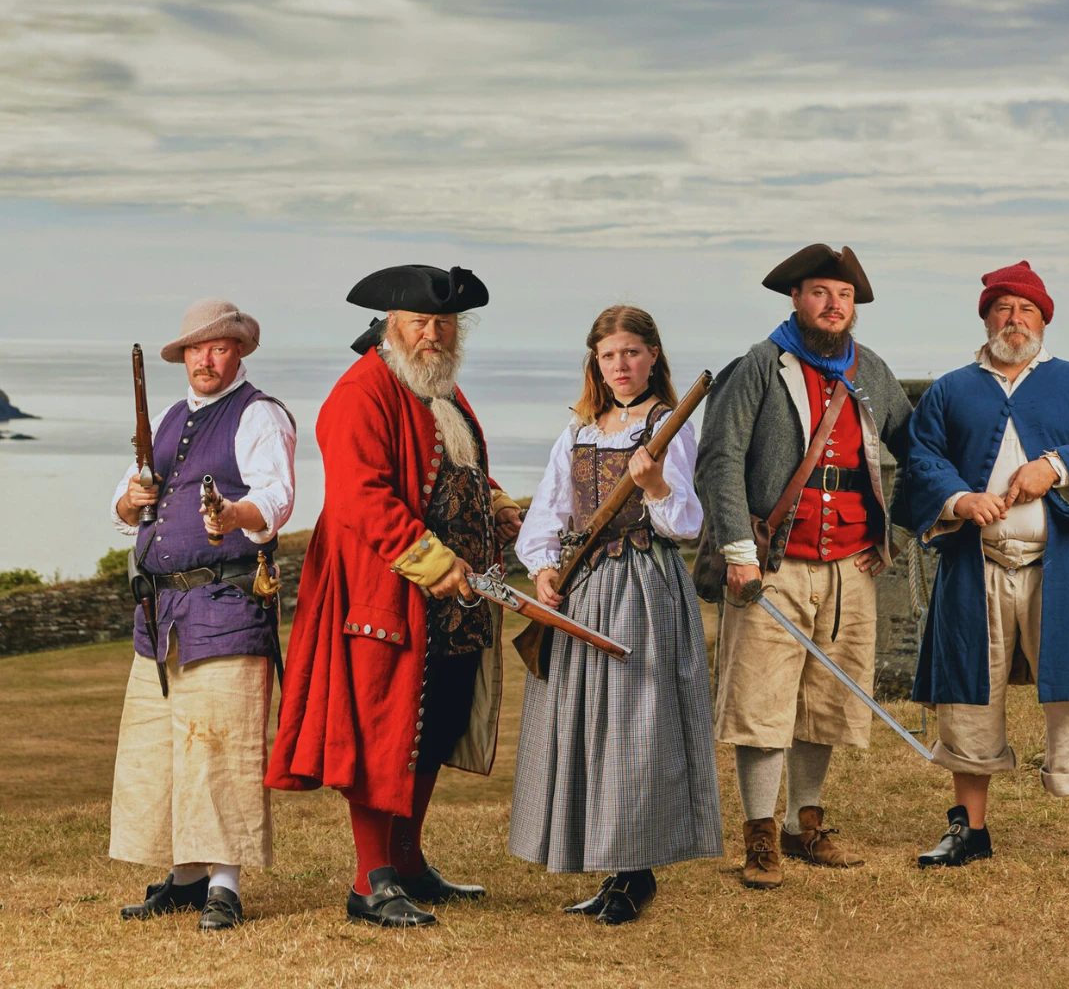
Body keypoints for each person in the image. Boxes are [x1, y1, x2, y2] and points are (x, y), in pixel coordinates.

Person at [266, 264, 522, 927]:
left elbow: (458, 470)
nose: (433, 333)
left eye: (444, 323)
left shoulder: (441, 391)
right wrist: (432, 561)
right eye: (420, 322)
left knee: (433, 724)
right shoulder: (362, 392)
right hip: (383, 592)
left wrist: (490, 506)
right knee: (382, 728)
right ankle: (369, 880)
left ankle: (407, 862)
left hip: (453, 598)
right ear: (391, 326)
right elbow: (361, 497)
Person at [908, 260, 1069, 872]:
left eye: (1027, 310)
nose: (1015, 319)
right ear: (986, 319)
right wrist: (961, 498)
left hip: (1064, 567)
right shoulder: (950, 389)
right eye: (1004, 309)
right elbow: (921, 458)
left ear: (1043, 321)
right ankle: (969, 830)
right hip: (975, 563)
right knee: (968, 696)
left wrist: (1055, 468)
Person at [696, 245, 912, 889]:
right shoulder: (759, 366)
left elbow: (920, 448)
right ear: (797, 298)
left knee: (825, 704)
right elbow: (720, 462)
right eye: (820, 292)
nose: (833, 305)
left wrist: (892, 530)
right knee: (762, 705)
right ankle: (760, 837)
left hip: (851, 565)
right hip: (771, 564)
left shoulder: (870, 369)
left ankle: (803, 824)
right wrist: (738, 551)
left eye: (843, 295)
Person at [508, 305, 723, 925]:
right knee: (591, 729)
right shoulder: (578, 429)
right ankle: (611, 869)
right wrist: (545, 568)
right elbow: (548, 512)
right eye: (608, 356)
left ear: (653, 355)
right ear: (594, 364)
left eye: (631, 352)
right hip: (584, 591)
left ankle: (637, 874)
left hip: (642, 588)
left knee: (635, 728)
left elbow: (686, 522)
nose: (620, 365)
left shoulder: (668, 425)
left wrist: (654, 486)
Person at [110, 298, 297, 930]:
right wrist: (132, 497)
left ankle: (224, 884)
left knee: (221, 743)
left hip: (226, 601)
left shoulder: (259, 415)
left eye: (218, 347)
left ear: (239, 351)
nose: (205, 359)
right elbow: (126, 497)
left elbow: (275, 496)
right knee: (165, 746)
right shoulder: (166, 419)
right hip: (160, 610)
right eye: (195, 349)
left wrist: (235, 515)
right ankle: (185, 877)